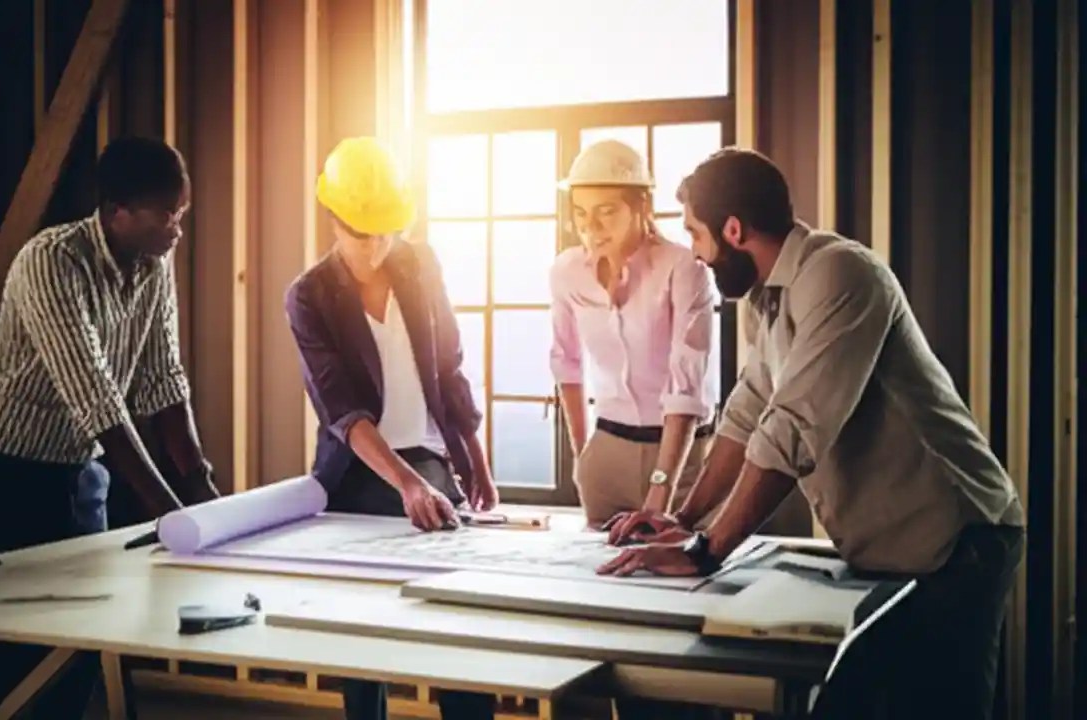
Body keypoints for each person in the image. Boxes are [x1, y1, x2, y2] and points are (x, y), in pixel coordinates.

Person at [597, 148, 1025, 719]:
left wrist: (707, 553)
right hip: (887, 548)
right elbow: (748, 413)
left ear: (733, 229)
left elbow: (795, 426)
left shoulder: (841, 274)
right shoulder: (766, 298)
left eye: (696, 235)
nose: (696, 254)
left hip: (959, 537)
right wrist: (686, 519)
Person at [0, 136, 218, 717]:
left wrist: (202, 486)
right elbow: (100, 401)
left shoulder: (154, 265)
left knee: (79, 651)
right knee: (5, 660)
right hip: (4, 473)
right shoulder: (52, 261)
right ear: (117, 212)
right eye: (167, 215)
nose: (176, 230)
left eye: (182, 214)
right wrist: (172, 513)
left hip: (81, 472)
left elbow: (164, 380)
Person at [284, 136, 500, 720]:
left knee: (460, 622)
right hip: (357, 475)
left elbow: (450, 367)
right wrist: (406, 484)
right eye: (362, 232)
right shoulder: (308, 296)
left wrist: (476, 462)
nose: (376, 246)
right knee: (362, 637)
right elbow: (342, 410)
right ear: (333, 220)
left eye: (386, 230)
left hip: (431, 463)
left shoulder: (420, 264)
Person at [549, 139, 719, 533]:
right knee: (599, 580)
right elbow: (566, 362)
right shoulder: (566, 272)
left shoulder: (683, 267)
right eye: (580, 213)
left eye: (606, 212)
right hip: (607, 454)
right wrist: (583, 458)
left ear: (641, 205)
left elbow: (686, 381)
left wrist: (662, 487)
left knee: (682, 576)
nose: (590, 228)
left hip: (681, 458)